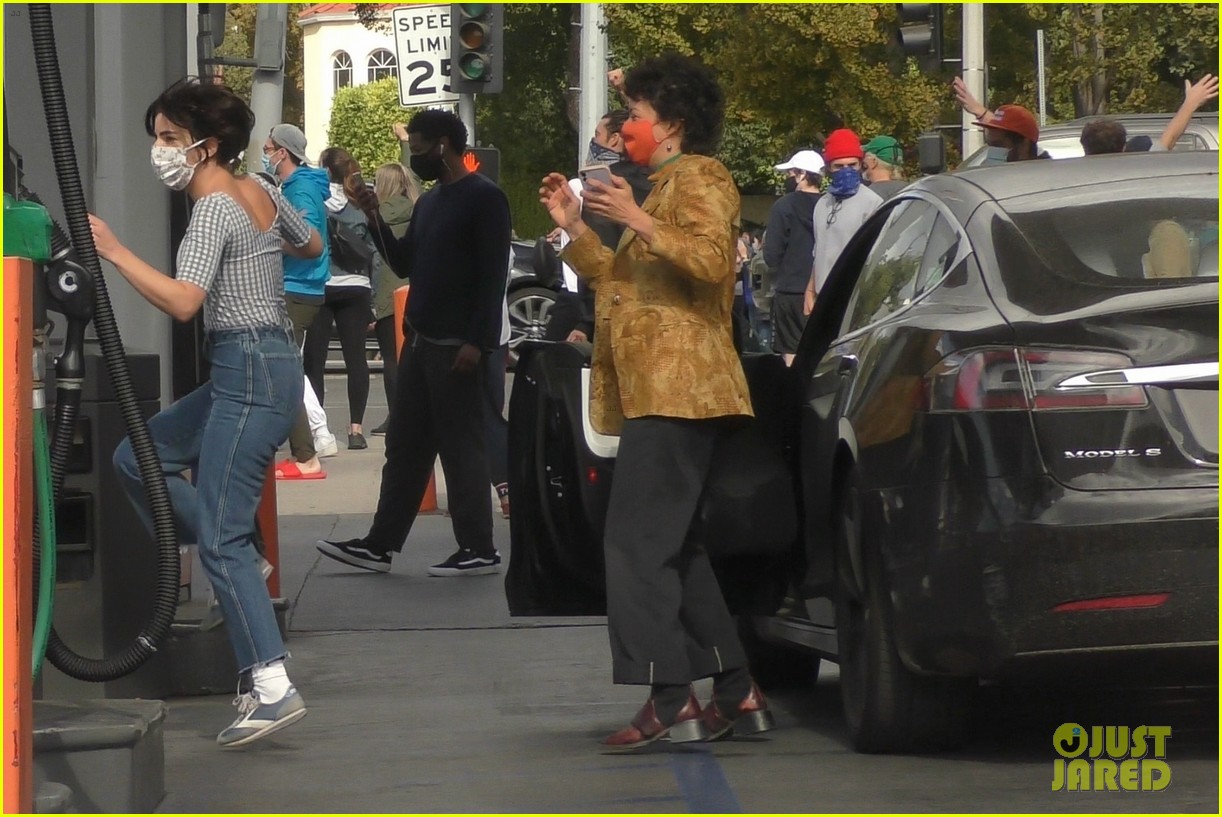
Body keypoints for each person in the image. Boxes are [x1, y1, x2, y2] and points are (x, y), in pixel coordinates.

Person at [540, 53, 772, 750]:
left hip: (682, 387)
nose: (625, 130)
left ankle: (671, 694)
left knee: (635, 542)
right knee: (675, 545)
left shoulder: (700, 176)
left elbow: (708, 260)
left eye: (635, 116)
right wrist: (577, 228)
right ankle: (737, 690)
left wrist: (637, 217)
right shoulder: (664, 184)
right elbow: (621, 285)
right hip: (661, 387)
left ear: (671, 124)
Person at [93, 78, 320, 747]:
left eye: (169, 139)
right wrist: (269, 231)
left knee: (217, 538)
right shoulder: (259, 190)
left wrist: (112, 250)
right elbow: (308, 245)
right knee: (137, 455)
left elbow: (185, 301)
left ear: (206, 145)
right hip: (260, 363)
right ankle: (244, 558)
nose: (159, 152)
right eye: (156, 138)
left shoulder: (213, 209)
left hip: (245, 368)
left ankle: (272, 685)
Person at [316, 109, 510, 577]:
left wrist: (478, 342)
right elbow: (404, 264)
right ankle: (380, 543)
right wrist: (373, 215)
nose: (415, 156)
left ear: (444, 145)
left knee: (461, 447)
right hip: (422, 342)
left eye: (420, 148)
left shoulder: (485, 200)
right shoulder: (430, 203)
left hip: (456, 344)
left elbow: (492, 276)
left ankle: (478, 547)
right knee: (406, 445)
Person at [261, 123, 337, 480]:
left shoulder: (299, 190)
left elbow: (310, 242)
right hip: (298, 288)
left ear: (283, 152)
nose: (264, 148)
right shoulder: (296, 186)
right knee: (283, 370)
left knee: (283, 372)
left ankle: (306, 456)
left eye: (270, 145)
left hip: (298, 289)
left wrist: (268, 243)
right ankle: (303, 452)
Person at [303, 147, 376, 450]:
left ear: (324, 169)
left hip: (322, 285)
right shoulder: (361, 200)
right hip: (357, 287)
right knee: (356, 358)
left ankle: (318, 430)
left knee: (314, 361)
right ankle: (356, 429)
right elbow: (374, 251)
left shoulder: (315, 199)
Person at [805, 129, 883, 315]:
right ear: (829, 168)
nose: (846, 171)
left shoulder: (872, 203)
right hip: (823, 300)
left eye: (852, 165)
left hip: (855, 302)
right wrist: (810, 290)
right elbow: (820, 252)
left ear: (861, 164)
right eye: (839, 166)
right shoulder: (822, 204)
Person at [368, 160, 420, 435]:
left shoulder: (377, 215)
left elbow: (371, 256)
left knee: (391, 359)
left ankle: (396, 417)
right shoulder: (417, 209)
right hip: (416, 289)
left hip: (389, 295)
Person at [766, 149, 823, 365]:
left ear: (802, 174)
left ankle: (793, 396)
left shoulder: (784, 206)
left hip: (790, 290)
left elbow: (771, 254)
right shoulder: (829, 205)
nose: (789, 178)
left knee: (791, 353)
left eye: (791, 173)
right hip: (824, 288)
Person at [952, 79, 1050, 162]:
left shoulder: (1043, 179)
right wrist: (979, 111)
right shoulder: (1003, 176)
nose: (993, 151)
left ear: (1024, 145)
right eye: (990, 145)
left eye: (998, 145)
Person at [861, 135, 907, 199]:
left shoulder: (866, 196)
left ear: (873, 162)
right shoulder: (912, 191)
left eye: (864, 156)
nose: (863, 161)